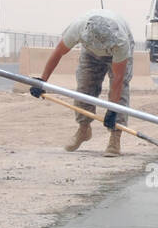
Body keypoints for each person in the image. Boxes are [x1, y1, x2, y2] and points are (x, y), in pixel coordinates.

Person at [30, 10, 135, 157]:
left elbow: (117, 80)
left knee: (121, 90)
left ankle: (115, 137)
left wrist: (112, 110)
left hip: (115, 53)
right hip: (89, 52)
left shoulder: (120, 41)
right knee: (84, 87)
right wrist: (42, 81)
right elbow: (58, 53)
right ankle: (84, 128)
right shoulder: (78, 28)